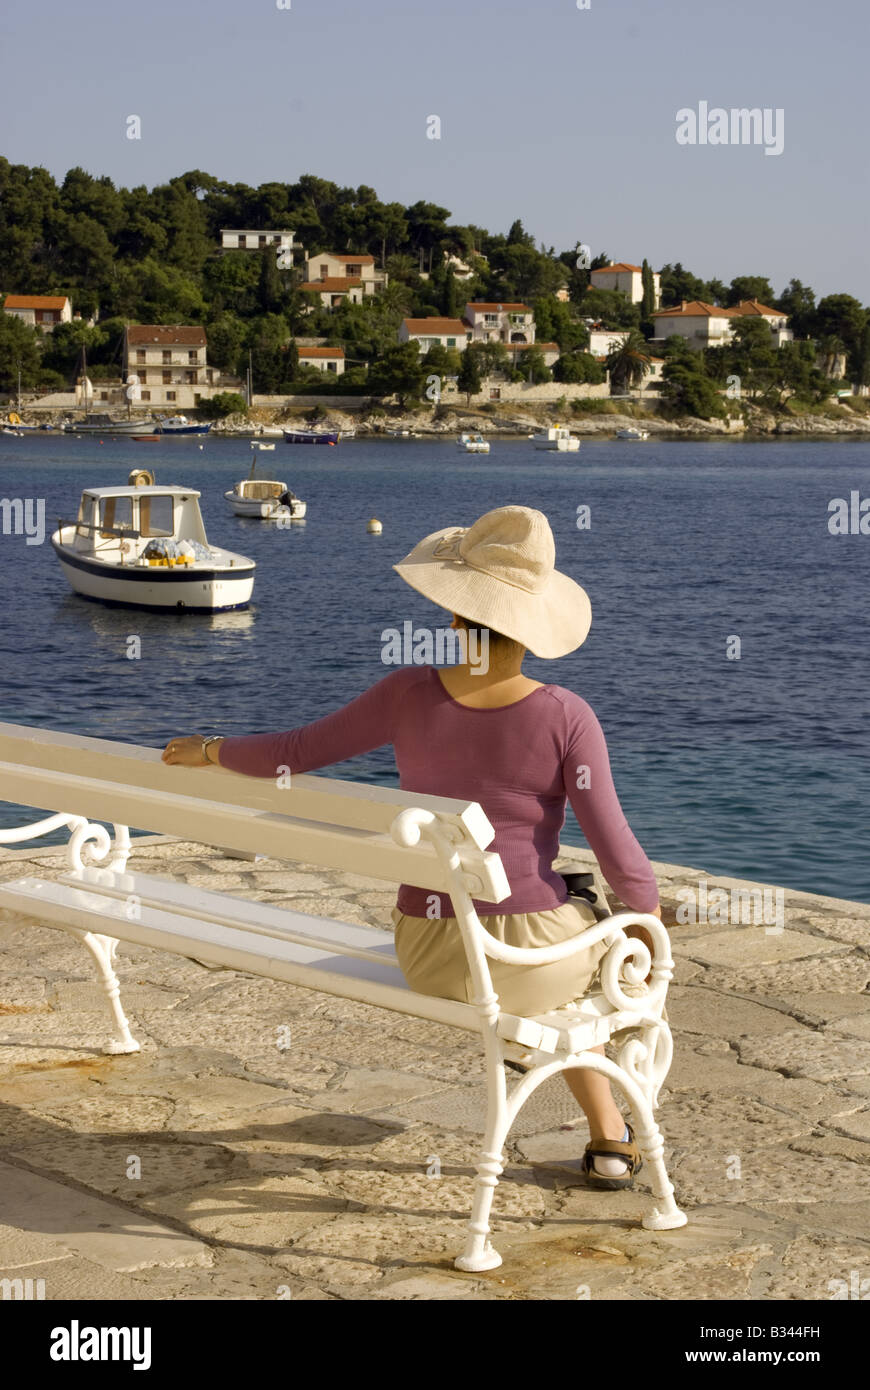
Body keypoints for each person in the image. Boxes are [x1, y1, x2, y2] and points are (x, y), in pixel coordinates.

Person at [162, 505, 664, 1187]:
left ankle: (601, 1125)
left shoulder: (405, 694)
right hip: (523, 961)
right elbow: (619, 856)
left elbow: (294, 751)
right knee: (606, 940)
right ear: (534, 631)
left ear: (457, 620)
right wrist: (651, 927)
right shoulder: (566, 717)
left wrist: (211, 749)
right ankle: (610, 1137)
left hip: (426, 949)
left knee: (574, 939)